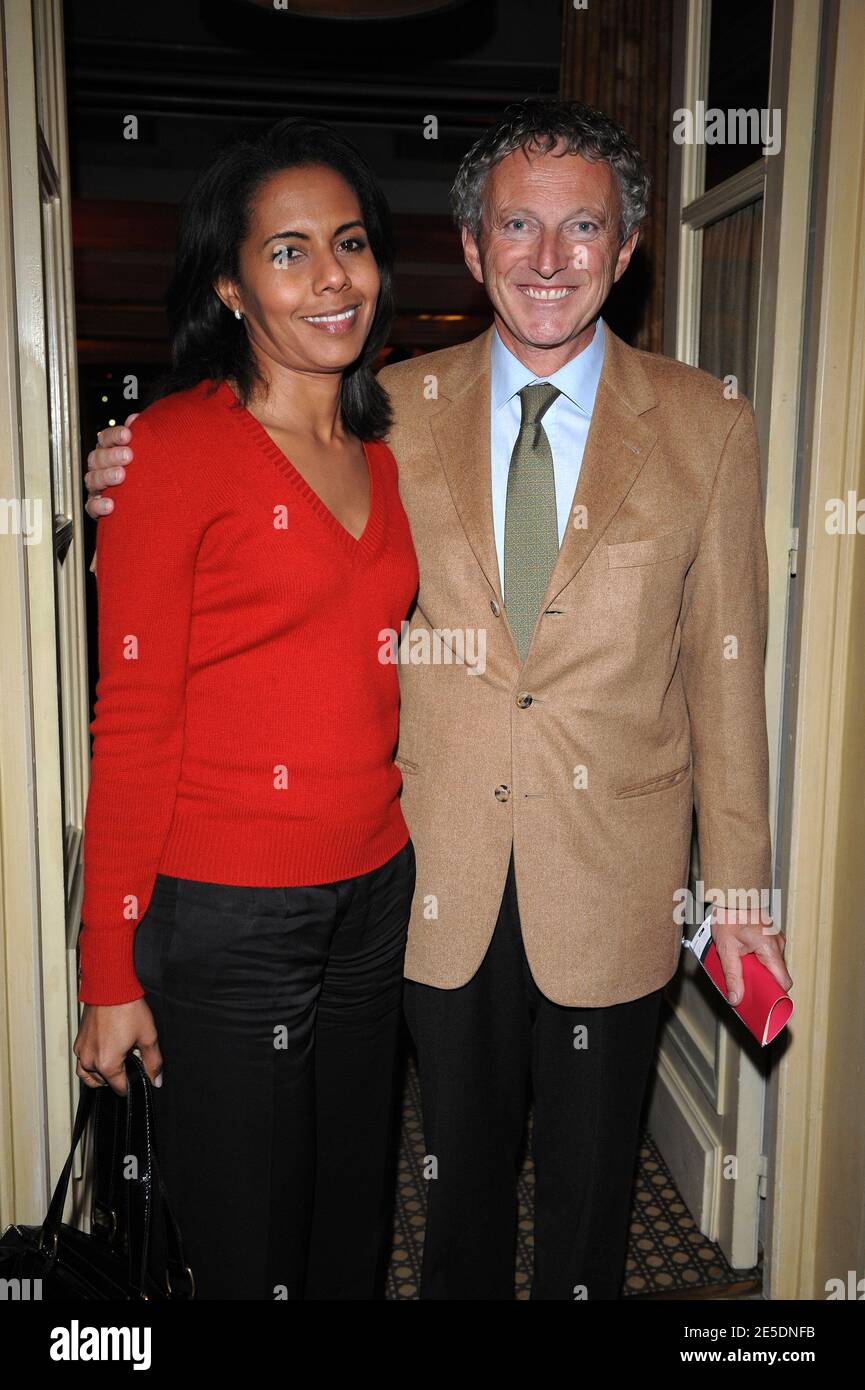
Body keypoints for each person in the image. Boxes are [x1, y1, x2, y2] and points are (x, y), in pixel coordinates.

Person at [84, 97, 792, 1301]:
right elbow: (235, 467)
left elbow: (722, 676)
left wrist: (741, 900)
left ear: (626, 252)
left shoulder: (705, 422)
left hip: (610, 871)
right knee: (444, 1185)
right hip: (430, 875)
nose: (549, 259)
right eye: (517, 225)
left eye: (583, 230)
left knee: (588, 1197)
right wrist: (131, 464)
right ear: (470, 248)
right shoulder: (383, 408)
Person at [74, 117, 419, 1300]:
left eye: (352, 242)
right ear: (228, 283)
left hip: (376, 887)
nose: (333, 277)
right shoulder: (168, 451)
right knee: (247, 1243)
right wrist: (105, 969)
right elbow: (133, 721)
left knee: (350, 1213)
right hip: (227, 914)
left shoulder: (385, 447)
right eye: (288, 252)